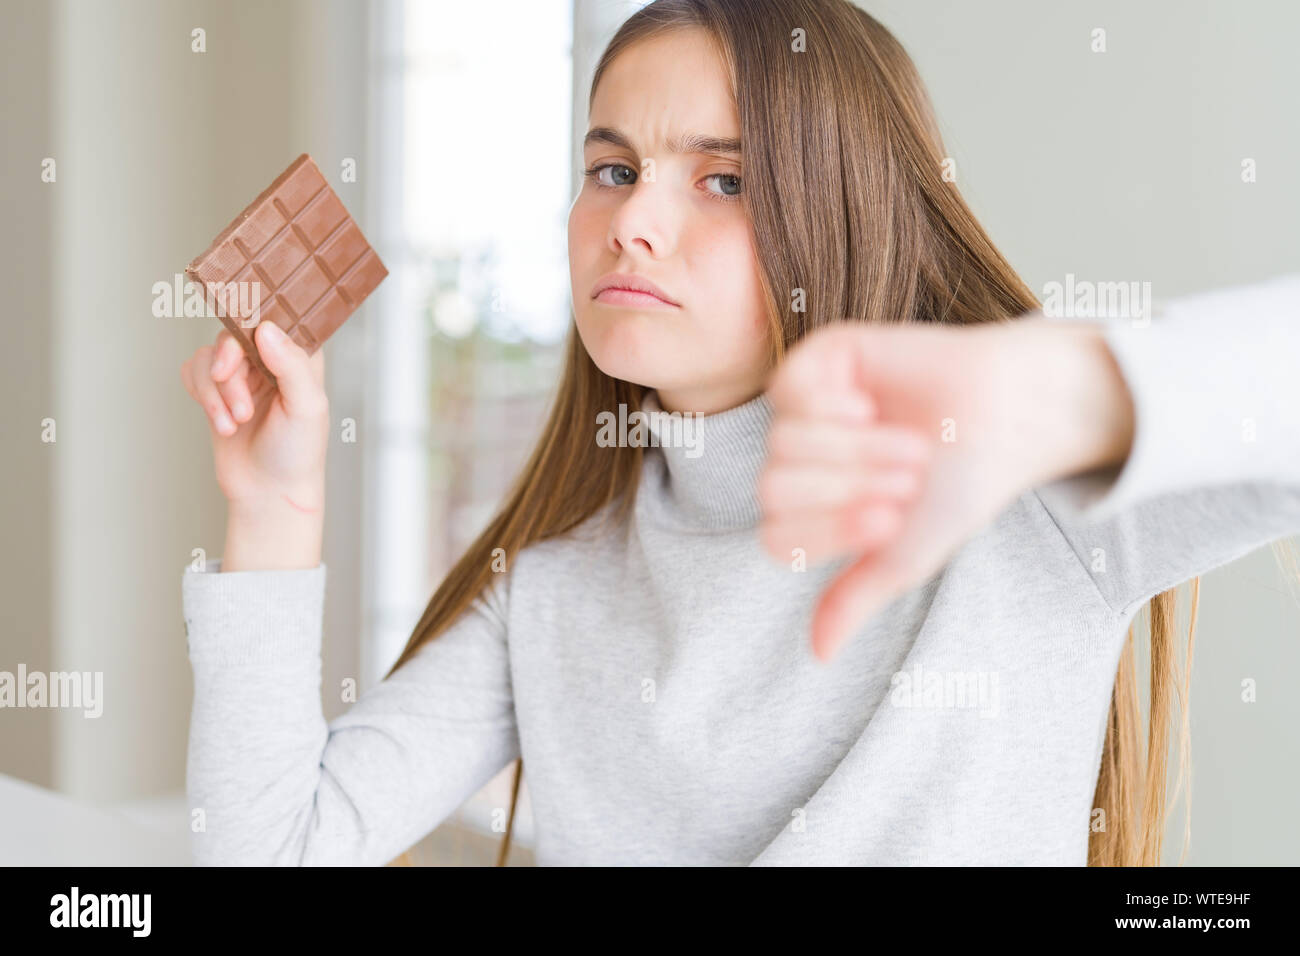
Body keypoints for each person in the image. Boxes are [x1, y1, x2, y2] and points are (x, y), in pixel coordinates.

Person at [179, 0, 1300, 865]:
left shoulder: (1030, 502)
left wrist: (1068, 395)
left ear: (844, 207)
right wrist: (276, 509)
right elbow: (272, 854)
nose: (633, 221)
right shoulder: (550, 589)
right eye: (612, 170)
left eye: (723, 180)